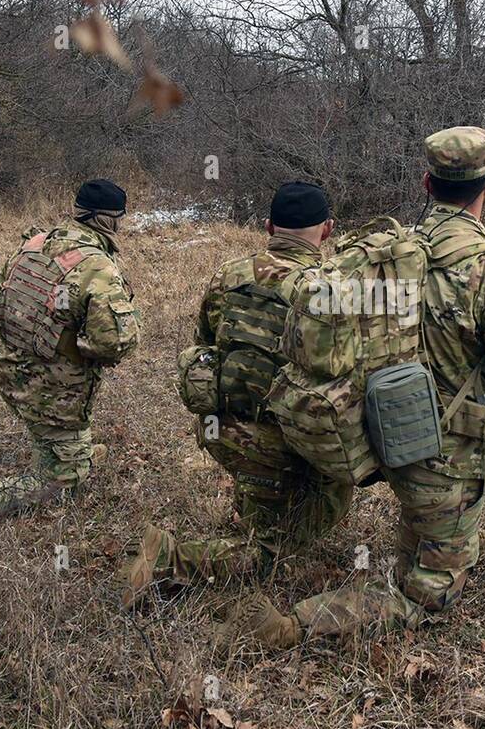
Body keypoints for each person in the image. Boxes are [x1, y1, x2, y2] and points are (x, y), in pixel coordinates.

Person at [219, 127, 485, 648]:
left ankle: (448, 532)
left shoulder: (387, 254)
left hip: (386, 439)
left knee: (433, 528)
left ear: (426, 182)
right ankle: (293, 625)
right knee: (428, 594)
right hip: (450, 459)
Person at [121, 183, 353, 598]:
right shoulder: (328, 289)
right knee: (280, 546)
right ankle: (169, 559)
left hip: (217, 429)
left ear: (267, 227)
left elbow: (206, 344)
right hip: (280, 443)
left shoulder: (228, 275)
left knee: (276, 490)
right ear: (328, 230)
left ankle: (260, 502)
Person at [0, 179, 140, 500]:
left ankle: (66, 450)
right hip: (56, 395)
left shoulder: (34, 243)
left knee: (59, 449)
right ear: (109, 221)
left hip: (14, 373)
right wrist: (82, 348)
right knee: (60, 486)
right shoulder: (96, 265)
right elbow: (114, 343)